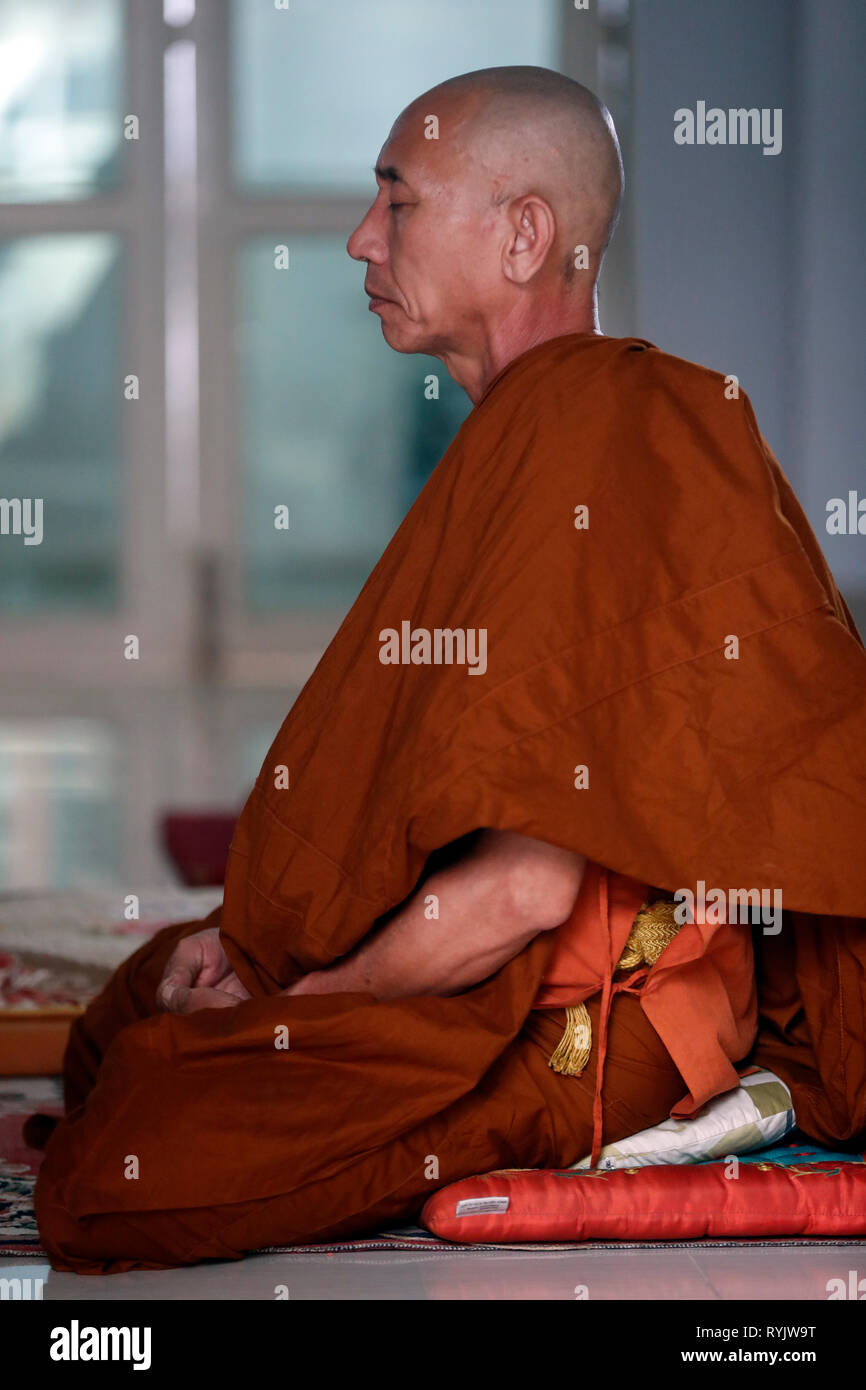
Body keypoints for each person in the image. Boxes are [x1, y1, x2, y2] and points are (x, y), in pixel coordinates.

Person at [34, 67, 866, 1274]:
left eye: (397, 199)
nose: (361, 236)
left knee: (123, 1177)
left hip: (578, 1022)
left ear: (524, 234)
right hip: (490, 967)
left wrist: (296, 1010)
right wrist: (261, 950)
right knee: (133, 1022)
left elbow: (524, 892)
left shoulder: (585, 428)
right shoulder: (547, 431)